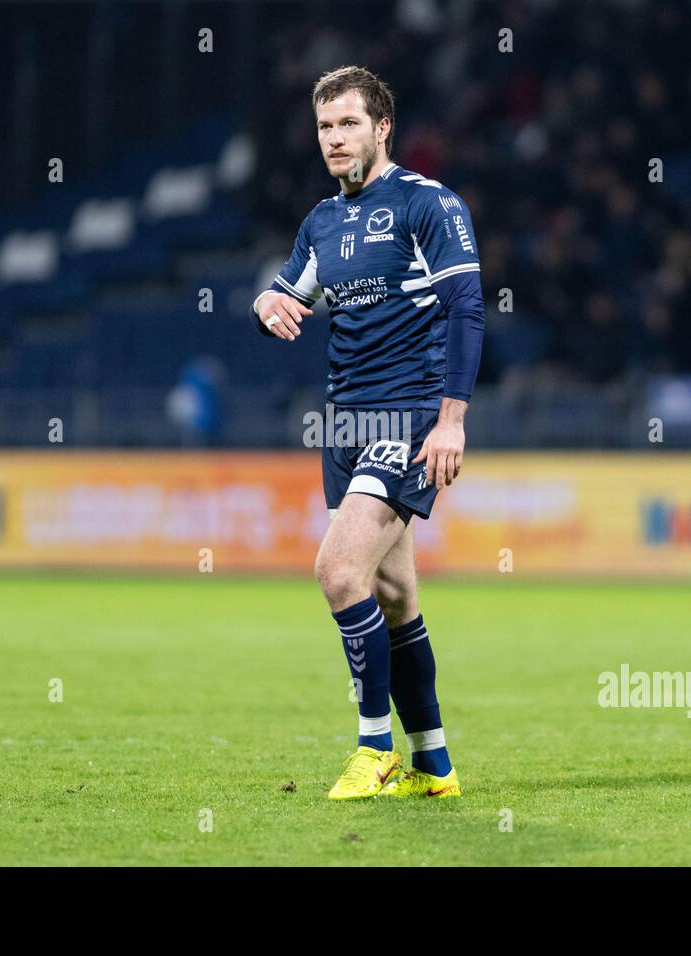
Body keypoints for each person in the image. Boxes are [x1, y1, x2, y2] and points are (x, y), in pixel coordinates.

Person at [251, 66, 485, 799]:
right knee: (393, 598)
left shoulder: (428, 205)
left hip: (408, 418)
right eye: (325, 126)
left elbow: (467, 309)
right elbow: (289, 290)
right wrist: (267, 301)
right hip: (343, 424)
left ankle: (372, 747)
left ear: (383, 128)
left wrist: (451, 422)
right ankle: (435, 765)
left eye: (348, 123)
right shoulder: (323, 221)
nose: (334, 139)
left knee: (337, 572)